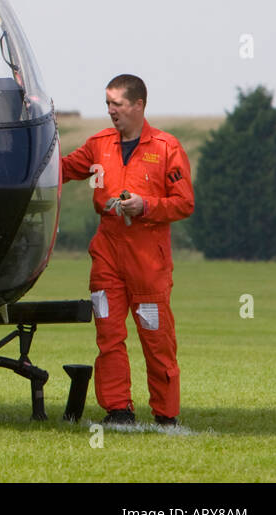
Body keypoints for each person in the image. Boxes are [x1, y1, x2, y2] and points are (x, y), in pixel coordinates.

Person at [61, 74, 194, 426]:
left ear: (138, 105)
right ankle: (119, 410)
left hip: (148, 264)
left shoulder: (167, 148)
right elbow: (60, 170)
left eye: (116, 104)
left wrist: (146, 206)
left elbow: (184, 203)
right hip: (106, 256)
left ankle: (166, 415)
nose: (110, 111)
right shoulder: (97, 145)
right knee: (108, 334)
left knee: (156, 339)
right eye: (107, 104)